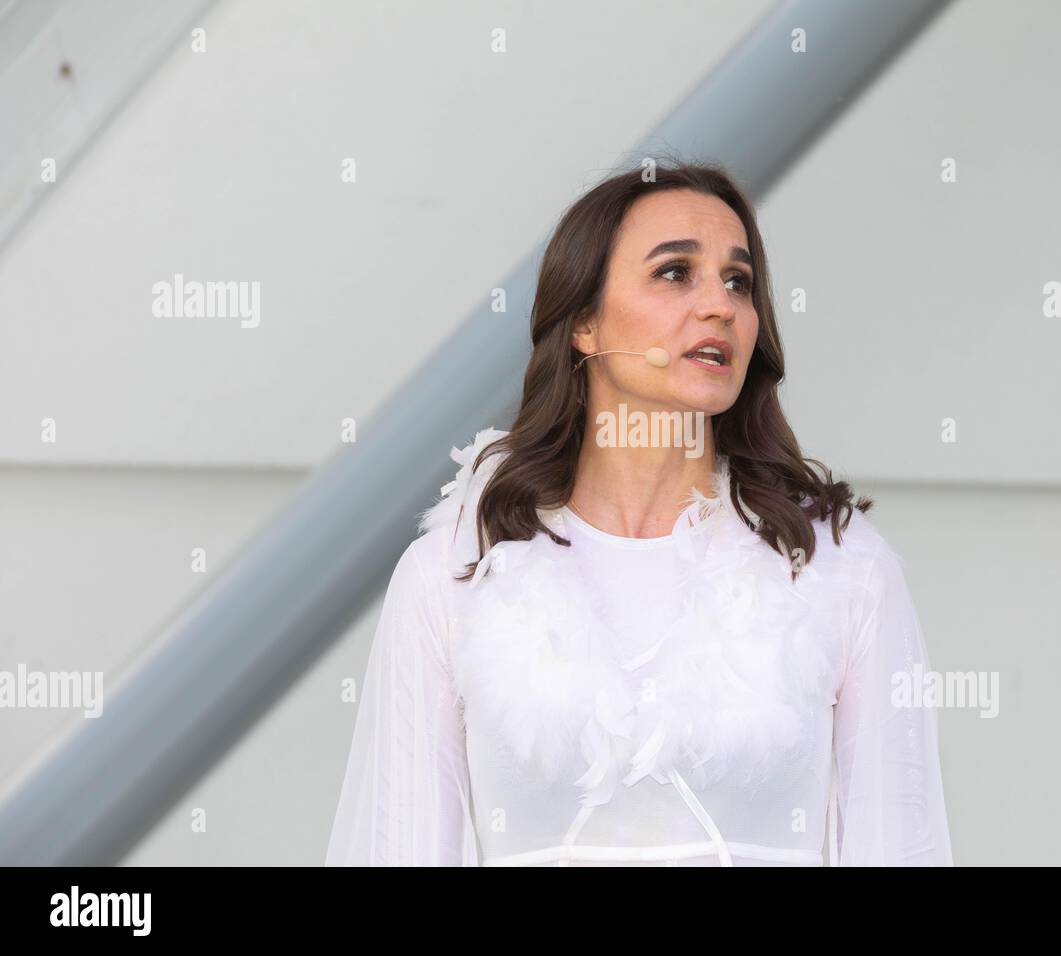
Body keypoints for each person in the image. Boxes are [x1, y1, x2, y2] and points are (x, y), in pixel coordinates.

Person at [325, 161, 953, 866]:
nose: (720, 305)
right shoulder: (454, 573)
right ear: (585, 322)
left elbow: (901, 845)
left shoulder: (839, 566)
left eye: (738, 282)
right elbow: (398, 848)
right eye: (676, 273)